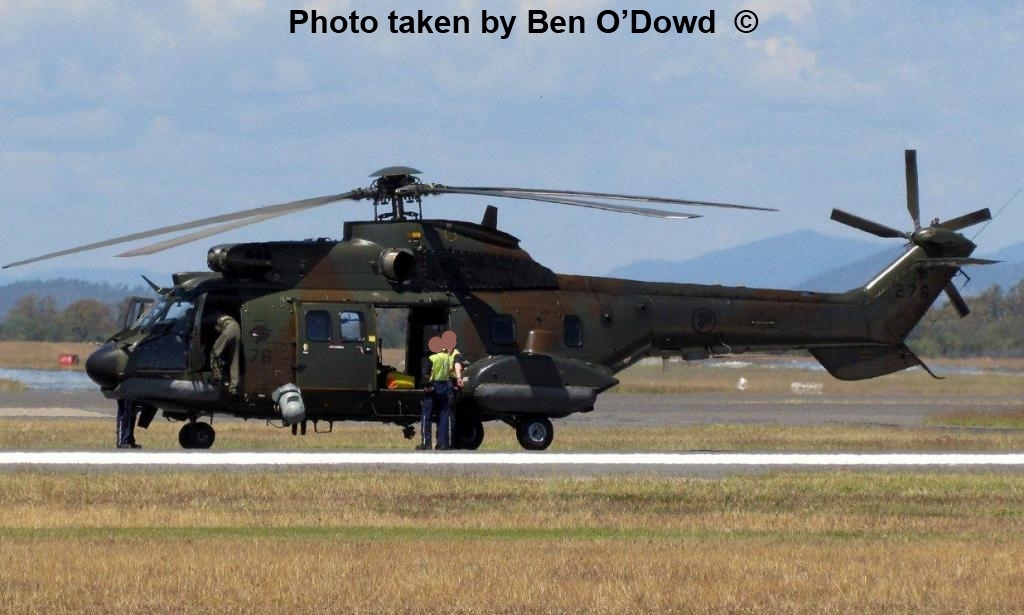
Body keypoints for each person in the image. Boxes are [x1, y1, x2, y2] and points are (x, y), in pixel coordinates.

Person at [417, 333, 455, 450]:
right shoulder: (446, 357)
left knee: (426, 414)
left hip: (433, 386)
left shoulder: (432, 358)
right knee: (444, 414)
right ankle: (443, 443)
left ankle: (426, 443)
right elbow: (449, 371)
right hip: (444, 386)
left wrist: (425, 385)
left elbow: (427, 374)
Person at [210, 312, 240, 395]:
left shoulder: (210, 317)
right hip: (236, 328)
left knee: (214, 354)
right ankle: (233, 388)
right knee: (234, 360)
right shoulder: (224, 316)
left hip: (229, 329)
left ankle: (217, 377)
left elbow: (218, 331)